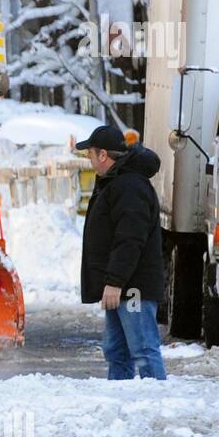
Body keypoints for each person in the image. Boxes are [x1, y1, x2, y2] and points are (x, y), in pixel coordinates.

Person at [77, 124, 167, 381]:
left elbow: (129, 240)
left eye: (91, 153)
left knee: (143, 350)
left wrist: (115, 282)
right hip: (120, 285)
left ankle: (156, 403)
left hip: (133, 286)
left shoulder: (129, 186)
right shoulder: (114, 182)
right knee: (117, 351)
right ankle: (121, 402)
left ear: (103, 155)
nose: (89, 159)